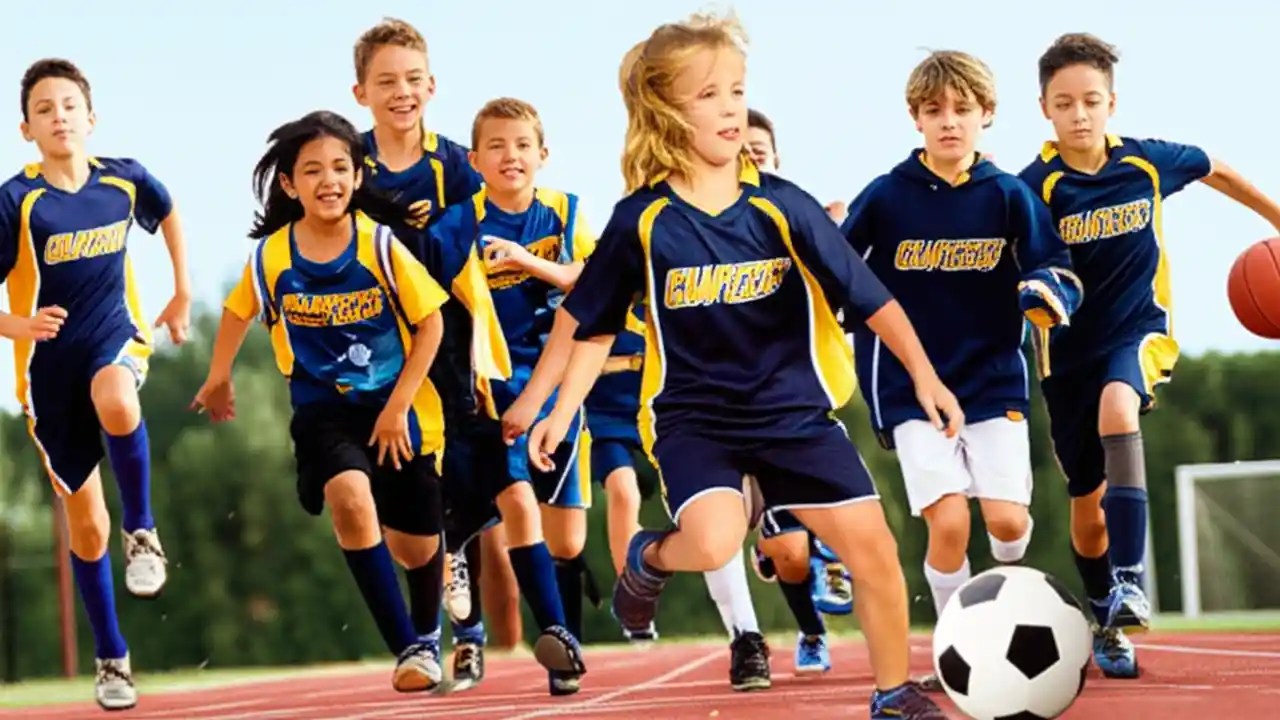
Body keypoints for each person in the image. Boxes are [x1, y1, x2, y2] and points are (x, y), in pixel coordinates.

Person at [528, 12, 955, 719]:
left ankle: (890, 693)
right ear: (666, 112)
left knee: (875, 549)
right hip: (699, 423)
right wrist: (557, 407)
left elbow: (873, 299)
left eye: (737, 90)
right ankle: (649, 559)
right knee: (716, 539)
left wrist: (926, 376)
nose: (730, 108)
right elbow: (590, 325)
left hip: (793, 417)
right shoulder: (642, 220)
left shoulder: (781, 207)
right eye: (708, 95)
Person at [1018, 32, 1280, 679]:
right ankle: (1108, 609)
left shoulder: (1146, 163)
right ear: (1045, 108)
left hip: (1140, 331)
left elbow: (1215, 165)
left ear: (1112, 104)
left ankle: (1132, 583)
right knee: (1087, 516)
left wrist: (1276, 218)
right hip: (1066, 358)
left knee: (1119, 406)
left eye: (1092, 100)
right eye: (1065, 102)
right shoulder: (1034, 187)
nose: (1080, 113)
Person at [842, 49, 1080, 690]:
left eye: (962, 110)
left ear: (987, 116)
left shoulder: (1008, 196)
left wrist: (1050, 294)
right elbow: (840, 267)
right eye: (933, 111)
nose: (949, 122)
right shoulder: (888, 196)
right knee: (947, 521)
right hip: (907, 382)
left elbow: (1055, 267)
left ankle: (1003, 577)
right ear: (915, 119)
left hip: (992, 375)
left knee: (1005, 522)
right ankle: (958, 644)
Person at [192, 110, 450, 694]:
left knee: (417, 546)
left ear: (358, 177)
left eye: (340, 167)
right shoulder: (271, 258)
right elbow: (237, 311)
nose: (328, 179)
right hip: (323, 410)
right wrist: (219, 376)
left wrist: (396, 408)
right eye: (312, 170)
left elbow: (430, 324)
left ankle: (429, 630)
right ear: (290, 184)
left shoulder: (380, 246)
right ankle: (409, 648)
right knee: (349, 497)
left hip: (398, 407)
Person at [0, 58, 190, 711]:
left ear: (91, 117)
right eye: (45, 109)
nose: (59, 117)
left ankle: (145, 529)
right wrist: (15, 322)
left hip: (114, 339)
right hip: (45, 375)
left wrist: (182, 292)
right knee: (86, 528)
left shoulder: (123, 181)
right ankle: (112, 659)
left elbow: (168, 215)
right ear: (26, 128)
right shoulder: (16, 201)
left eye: (69, 105)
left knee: (117, 395)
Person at [350, 16, 515, 689]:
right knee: (406, 502)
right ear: (361, 92)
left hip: (449, 343)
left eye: (413, 80)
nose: (402, 92)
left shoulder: (454, 165)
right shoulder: (347, 163)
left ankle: (466, 636)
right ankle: (425, 621)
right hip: (378, 353)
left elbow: (468, 258)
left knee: (461, 486)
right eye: (386, 81)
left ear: (432, 86)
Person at [430, 97, 591, 696]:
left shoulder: (565, 211)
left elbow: (590, 276)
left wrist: (530, 263)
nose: (510, 156)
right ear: (475, 160)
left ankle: (557, 624)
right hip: (495, 388)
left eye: (522, 144)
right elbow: (425, 293)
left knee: (568, 539)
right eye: (496, 146)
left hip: (561, 377)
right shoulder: (457, 225)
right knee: (519, 498)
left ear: (543, 154)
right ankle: (559, 648)